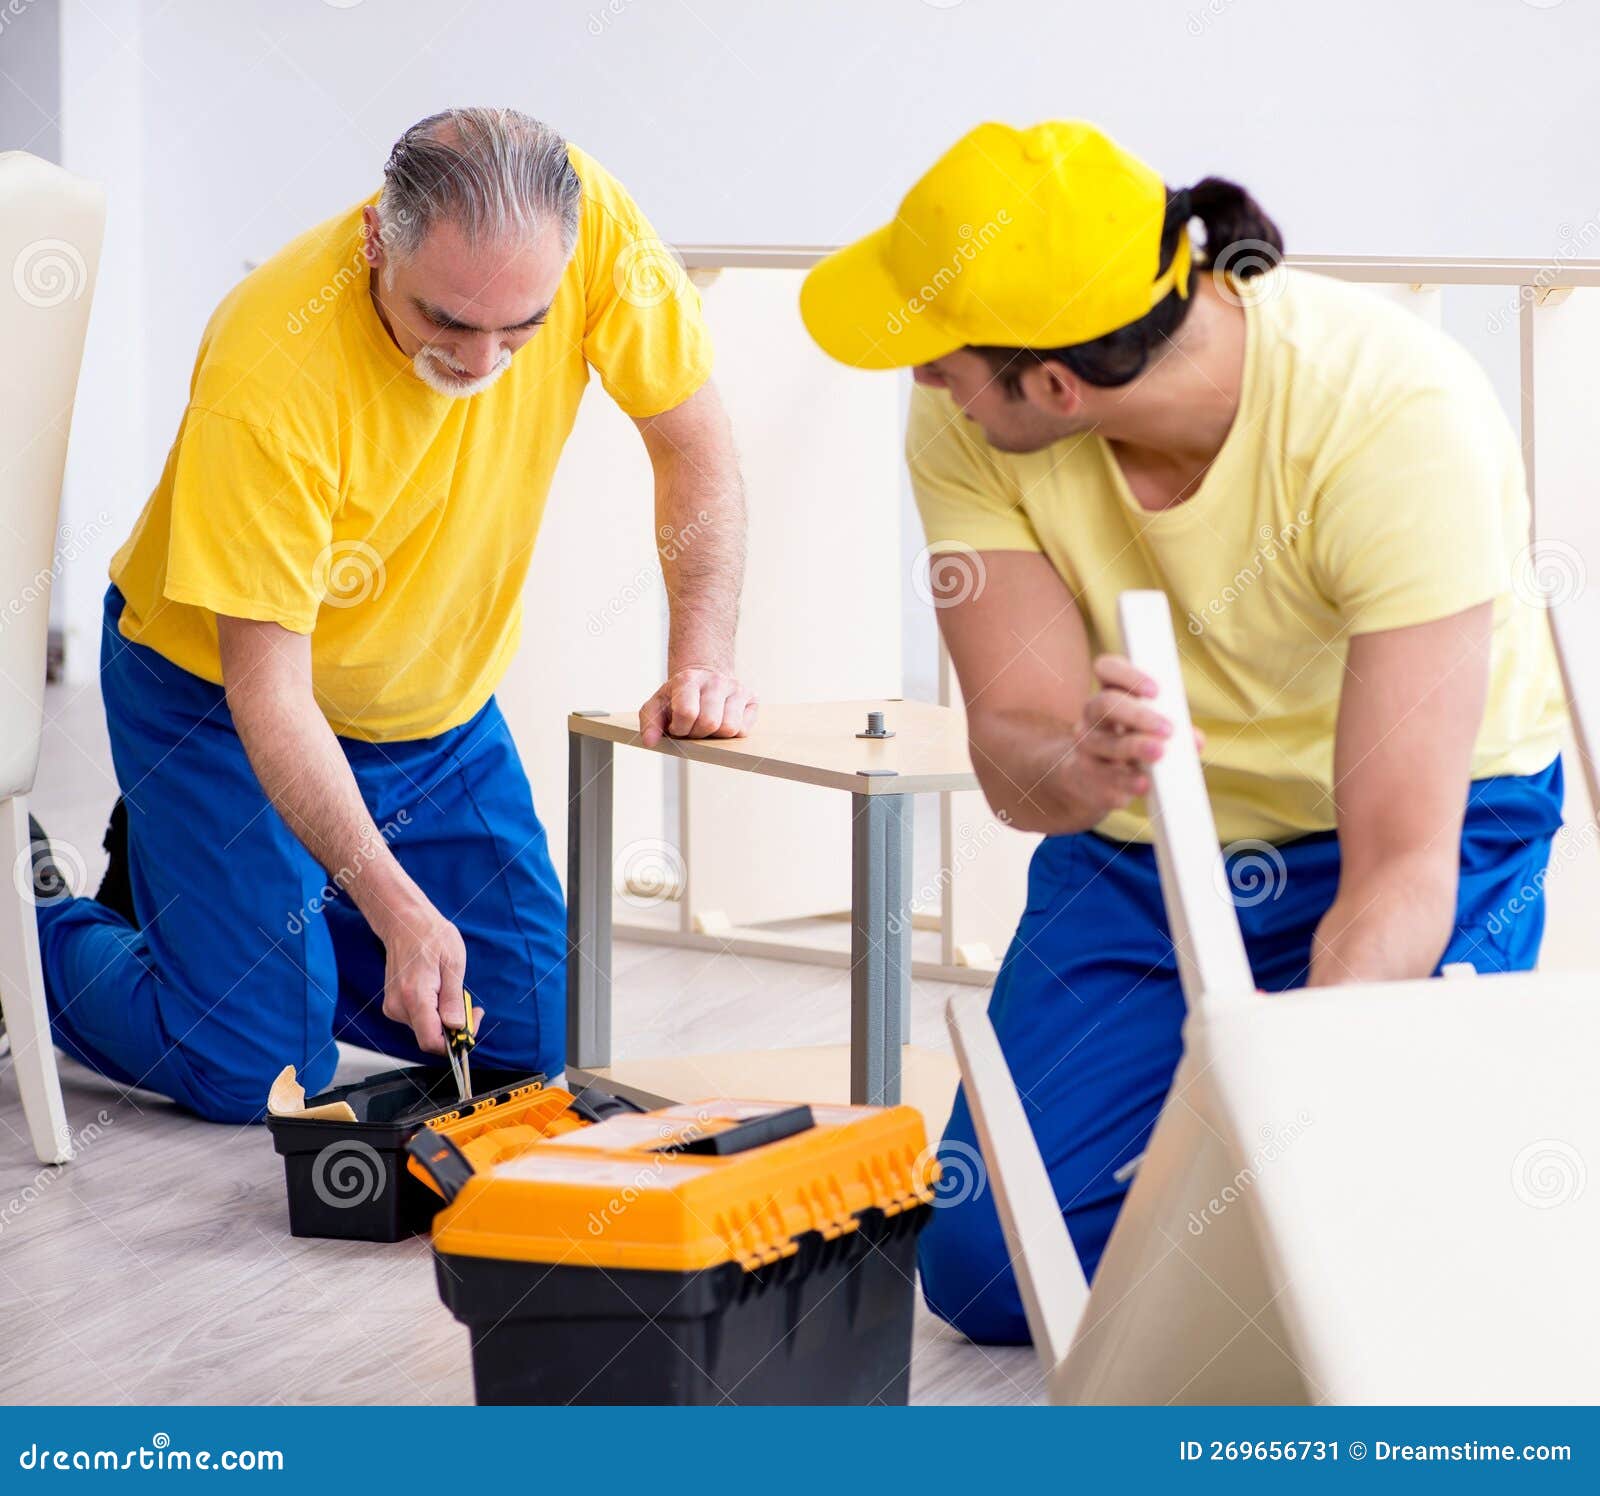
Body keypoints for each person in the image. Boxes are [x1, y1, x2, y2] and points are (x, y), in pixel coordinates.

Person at [799, 120, 1567, 1344]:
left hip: (1433, 827)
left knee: (1356, 1229)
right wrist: (1082, 758)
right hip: (1146, 841)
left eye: (945, 361)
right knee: (994, 1267)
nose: (925, 381)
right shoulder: (965, 420)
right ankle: (1233, 1176)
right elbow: (1013, 759)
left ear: (1055, 384)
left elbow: (1401, 863)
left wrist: (1285, 1108)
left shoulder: (1394, 414)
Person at [32, 107, 754, 1123]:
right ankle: (33, 929)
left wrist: (701, 658)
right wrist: (396, 905)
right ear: (377, 237)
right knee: (261, 1065)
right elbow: (271, 693)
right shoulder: (266, 372)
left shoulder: (587, 224)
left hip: (429, 705)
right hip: (220, 702)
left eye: (525, 328)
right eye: (450, 323)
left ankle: (209, 907)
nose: (487, 362)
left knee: (532, 1035)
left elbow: (693, 443)